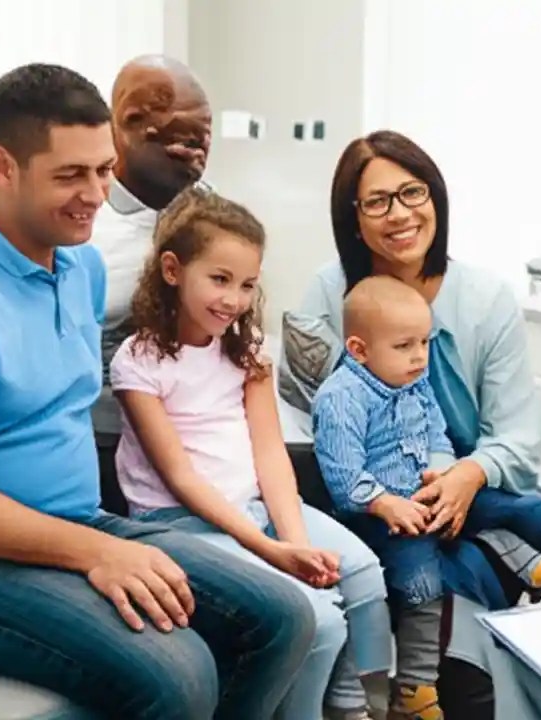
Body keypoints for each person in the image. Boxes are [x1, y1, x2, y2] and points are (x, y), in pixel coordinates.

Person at [0, 63, 315, 719]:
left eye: (103, 170)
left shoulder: (82, 266)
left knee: (281, 617)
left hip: (74, 522)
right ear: (3, 165)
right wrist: (99, 551)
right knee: (177, 674)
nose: (96, 194)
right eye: (70, 175)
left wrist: (101, 540)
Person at [282, 129, 541, 715]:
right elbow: (312, 425)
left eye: (413, 192)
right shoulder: (328, 295)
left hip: (468, 483)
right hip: (379, 503)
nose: (400, 213)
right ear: (353, 219)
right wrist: (386, 496)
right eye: (377, 201)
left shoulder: (486, 298)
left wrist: (463, 477)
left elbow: (518, 438)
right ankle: (434, 682)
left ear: (437, 199)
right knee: (454, 615)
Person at [110, 187, 393, 720]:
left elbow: (270, 455)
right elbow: (182, 479)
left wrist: (295, 543)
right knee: (322, 621)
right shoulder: (139, 362)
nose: (234, 299)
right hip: (181, 524)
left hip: (256, 508)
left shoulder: (249, 349)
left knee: (363, 573)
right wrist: (275, 558)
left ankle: (355, 704)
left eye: (247, 285)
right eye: (219, 280)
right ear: (173, 270)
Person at [313, 275, 541, 719]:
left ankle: (540, 574)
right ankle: (416, 688)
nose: (420, 357)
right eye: (404, 346)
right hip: (377, 517)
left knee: (493, 511)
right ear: (360, 350)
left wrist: (444, 472)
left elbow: (435, 432)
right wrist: (385, 503)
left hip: (423, 492)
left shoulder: (413, 381)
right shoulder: (341, 398)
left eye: (423, 342)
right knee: (422, 578)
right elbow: (344, 477)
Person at [89, 54, 213, 514]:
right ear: (128, 124)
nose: (197, 155)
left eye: (205, 139)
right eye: (182, 140)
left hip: (196, 436)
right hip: (102, 443)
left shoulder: (208, 213)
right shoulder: (82, 223)